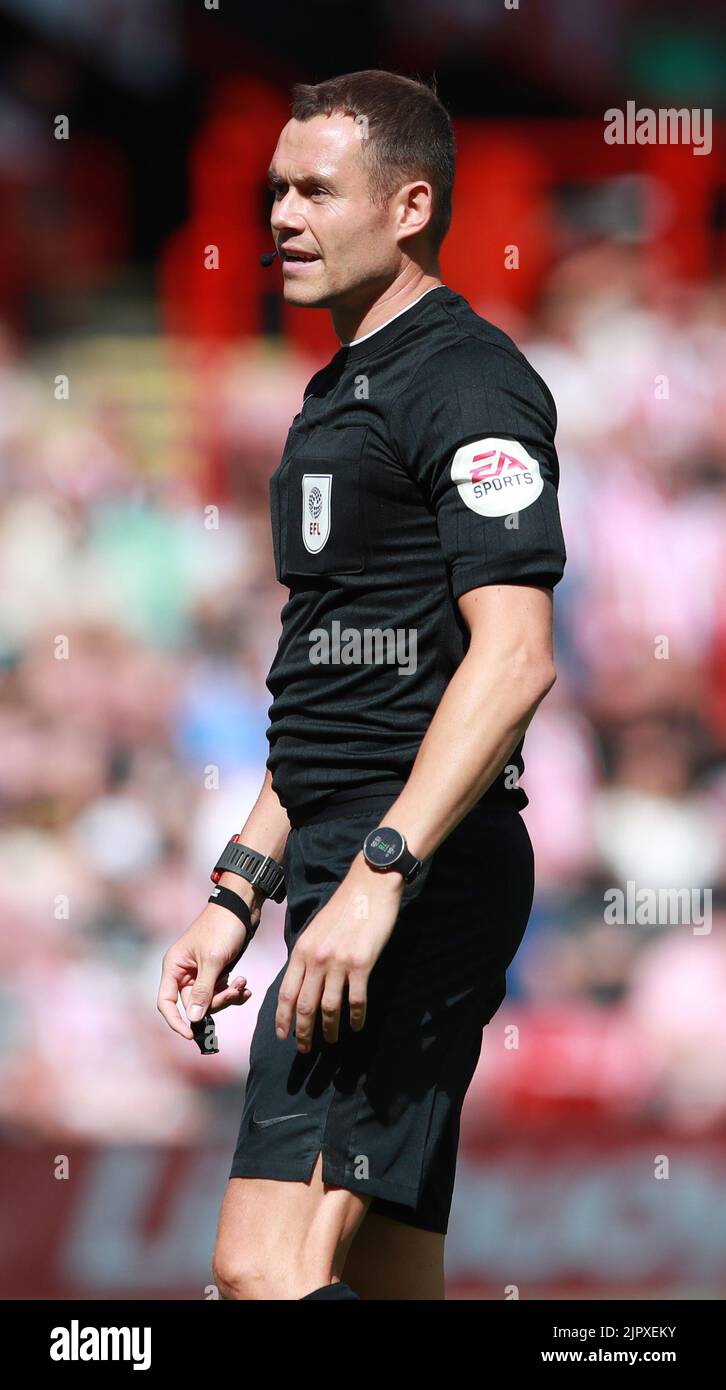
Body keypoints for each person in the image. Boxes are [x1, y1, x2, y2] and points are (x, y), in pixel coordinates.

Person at [157, 68, 566, 1300]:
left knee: (259, 1266)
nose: (281, 215)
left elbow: (516, 655)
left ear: (409, 206)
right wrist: (239, 886)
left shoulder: (470, 381)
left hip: (413, 873)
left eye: (316, 190)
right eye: (275, 189)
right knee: (386, 1278)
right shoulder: (334, 394)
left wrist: (380, 878)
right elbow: (331, 692)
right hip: (346, 863)